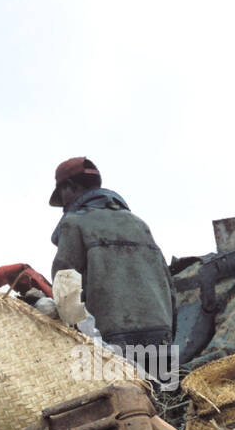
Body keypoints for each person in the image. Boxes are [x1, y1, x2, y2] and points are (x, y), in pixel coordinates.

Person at [48, 156, 177, 382]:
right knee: (167, 405)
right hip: (160, 333)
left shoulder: (74, 223)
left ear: (71, 187)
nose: (64, 204)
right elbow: (167, 283)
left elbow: (65, 284)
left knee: (120, 408)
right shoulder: (138, 223)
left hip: (112, 339)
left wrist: (71, 333)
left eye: (63, 195)